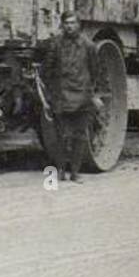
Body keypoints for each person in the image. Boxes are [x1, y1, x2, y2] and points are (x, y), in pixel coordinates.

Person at [39, 10, 103, 183]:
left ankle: (75, 172)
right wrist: (51, 92)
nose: (70, 26)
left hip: (83, 97)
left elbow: (95, 71)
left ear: (79, 25)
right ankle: (60, 170)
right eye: (67, 23)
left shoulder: (89, 46)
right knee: (61, 135)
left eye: (73, 23)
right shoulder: (55, 45)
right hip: (61, 97)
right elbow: (46, 70)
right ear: (62, 25)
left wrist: (93, 94)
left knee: (80, 136)